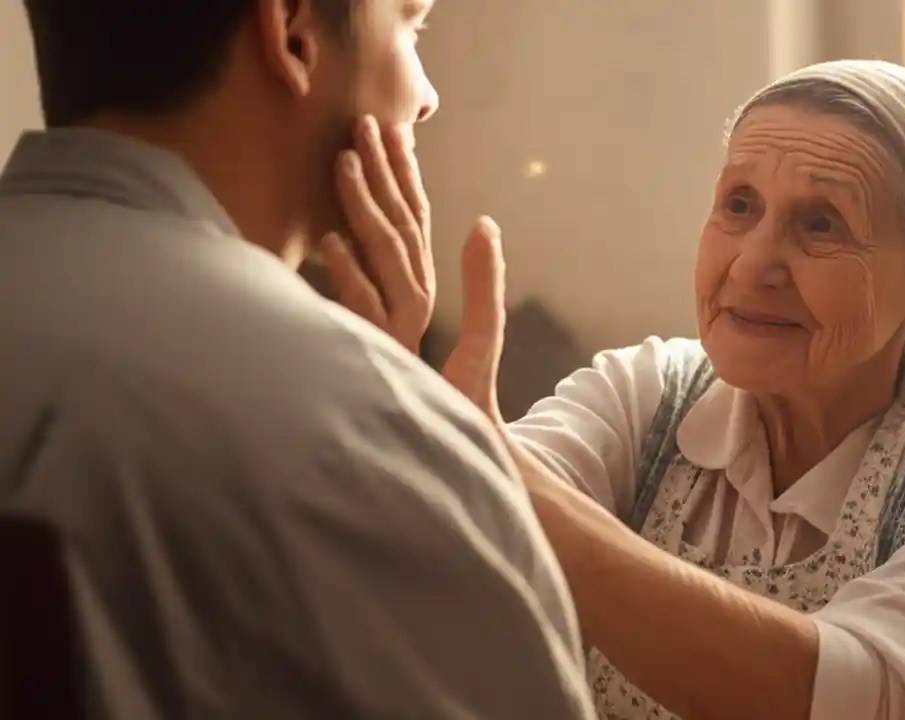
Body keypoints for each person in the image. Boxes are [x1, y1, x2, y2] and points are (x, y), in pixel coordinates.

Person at [342, 60, 905, 719]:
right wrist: (386, 387)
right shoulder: (642, 395)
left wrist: (488, 461)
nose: (752, 263)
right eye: (738, 205)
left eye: (820, 224)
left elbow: (845, 699)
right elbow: (444, 559)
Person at [0, 1, 592, 717]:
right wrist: (405, 409)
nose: (429, 96)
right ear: (294, 34)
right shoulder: (363, 434)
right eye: (411, 23)